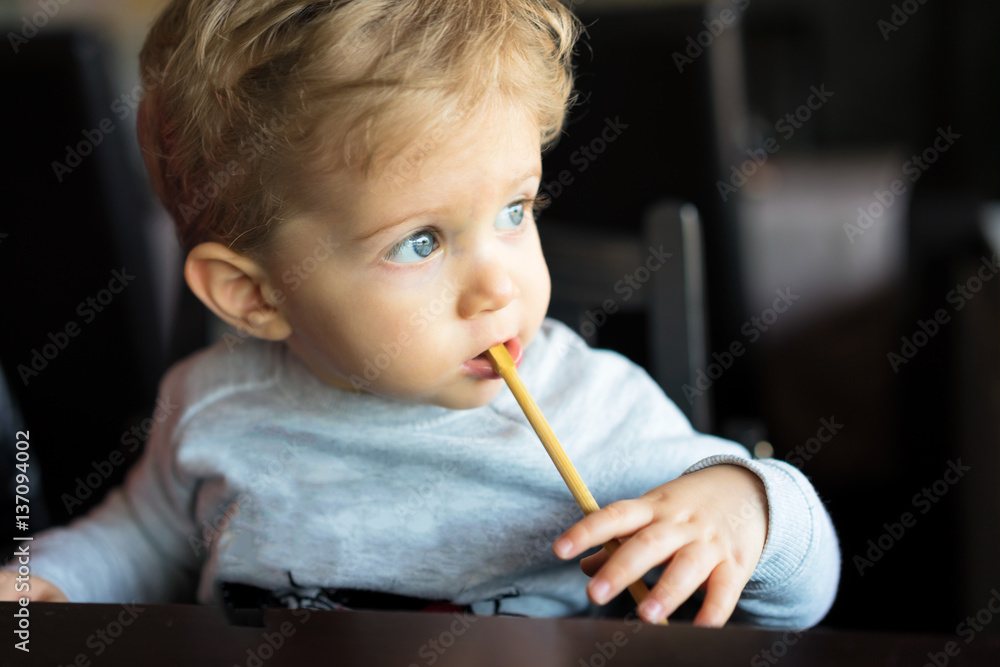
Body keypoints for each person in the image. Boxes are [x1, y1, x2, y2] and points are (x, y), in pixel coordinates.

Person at [1, 0, 839, 628]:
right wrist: (50, 583)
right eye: (420, 242)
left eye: (515, 210)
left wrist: (742, 508)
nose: (497, 287)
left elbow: (807, 590)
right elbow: (145, 540)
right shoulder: (212, 403)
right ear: (254, 296)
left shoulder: (594, 410)